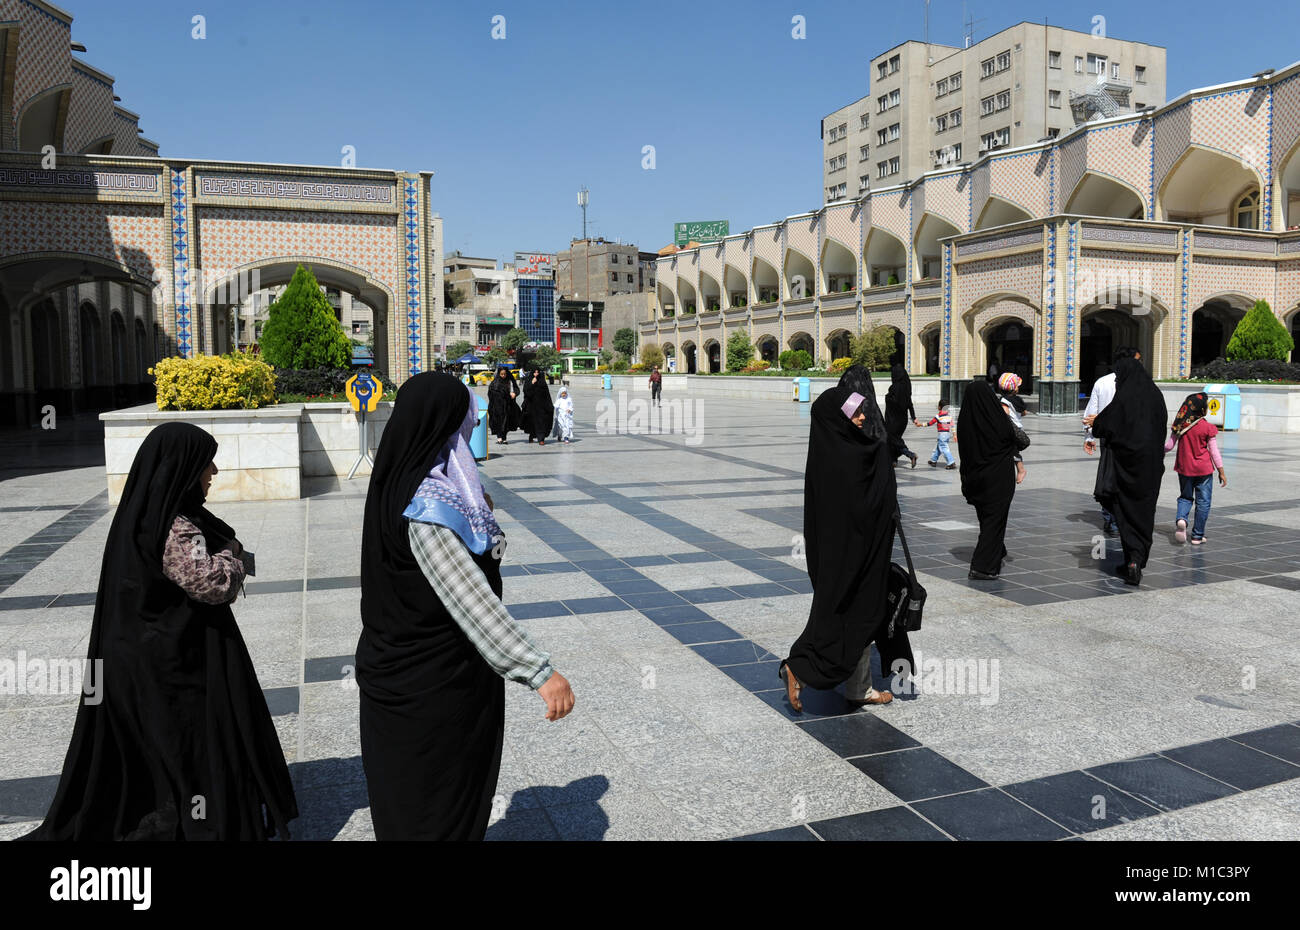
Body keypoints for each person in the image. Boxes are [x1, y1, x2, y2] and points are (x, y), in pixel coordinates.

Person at [23, 423, 296, 840]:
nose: (215, 472)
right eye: (207, 463)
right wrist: (233, 556)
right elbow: (212, 585)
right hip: (166, 663)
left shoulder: (147, 512)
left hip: (143, 653)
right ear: (185, 469)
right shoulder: (174, 526)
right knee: (184, 745)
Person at [357, 373, 574, 841]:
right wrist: (539, 672)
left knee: (415, 798)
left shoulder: (399, 481)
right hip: (431, 684)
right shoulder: (428, 506)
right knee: (437, 802)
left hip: (403, 671)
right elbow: (470, 598)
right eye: (462, 422)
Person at [779, 383, 913, 711]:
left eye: (862, 412)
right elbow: (860, 506)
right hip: (850, 554)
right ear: (836, 417)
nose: (861, 418)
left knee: (860, 615)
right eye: (854, 413)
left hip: (863, 551)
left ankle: (858, 687)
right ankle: (802, 666)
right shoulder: (844, 455)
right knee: (846, 614)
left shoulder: (844, 447)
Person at [1086, 357, 1167, 586]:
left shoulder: (1123, 399)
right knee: (1144, 514)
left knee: (1126, 514)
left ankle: (1131, 560)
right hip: (1150, 469)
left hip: (1124, 470)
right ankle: (1137, 561)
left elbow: (1104, 426)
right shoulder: (1155, 396)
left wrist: (1095, 421)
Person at [956, 379, 1022, 580]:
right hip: (998, 480)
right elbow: (1022, 440)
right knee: (994, 520)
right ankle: (982, 566)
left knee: (987, 519)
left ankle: (997, 549)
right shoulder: (998, 420)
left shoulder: (965, 421)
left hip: (974, 479)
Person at [1083, 347, 1141, 536]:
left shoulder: (1104, 382)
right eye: (1137, 360)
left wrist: (1089, 436)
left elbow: (1091, 413)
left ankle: (1112, 518)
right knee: (1117, 476)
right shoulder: (1133, 383)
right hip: (1122, 438)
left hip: (1111, 437)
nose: (1139, 364)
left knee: (1109, 475)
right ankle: (1114, 519)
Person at [1164, 392, 1228, 545]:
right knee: (1203, 502)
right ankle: (1197, 536)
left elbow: (1168, 446)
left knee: (1185, 497)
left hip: (1184, 468)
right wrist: (1221, 471)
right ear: (1202, 410)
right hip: (1204, 470)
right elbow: (1214, 451)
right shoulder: (1207, 427)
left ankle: (1181, 519)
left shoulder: (1179, 425)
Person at [885, 361, 919, 468]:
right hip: (902, 420)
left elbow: (891, 401)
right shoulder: (906, 388)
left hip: (893, 420)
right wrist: (913, 417)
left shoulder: (894, 388)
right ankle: (893, 460)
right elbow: (910, 404)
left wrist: (887, 397)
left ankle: (910, 454)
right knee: (895, 439)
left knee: (893, 439)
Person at [486, 366, 522, 444]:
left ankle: (504, 437)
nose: (503, 376)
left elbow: (517, 389)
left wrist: (515, 394)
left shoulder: (510, 381)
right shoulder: (495, 382)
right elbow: (490, 393)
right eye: (501, 374)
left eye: (504, 374)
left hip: (508, 405)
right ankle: (499, 437)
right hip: (497, 406)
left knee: (506, 422)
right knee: (498, 421)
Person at [916, 401, 956, 469]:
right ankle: (933, 461)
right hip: (947, 434)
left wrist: (920, 424)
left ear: (939, 407)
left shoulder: (938, 416)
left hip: (942, 435)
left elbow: (930, 423)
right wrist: (954, 435)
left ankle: (951, 462)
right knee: (938, 448)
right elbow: (952, 426)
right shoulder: (949, 416)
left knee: (944, 448)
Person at [522, 367, 554, 445]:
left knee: (542, 422)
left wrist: (550, 405)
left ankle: (541, 439)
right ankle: (532, 435)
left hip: (541, 406)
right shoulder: (529, 381)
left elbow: (547, 394)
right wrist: (532, 384)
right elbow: (527, 393)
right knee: (532, 422)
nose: (536, 374)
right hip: (531, 406)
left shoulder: (542, 382)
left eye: (537, 372)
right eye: (534, 372)